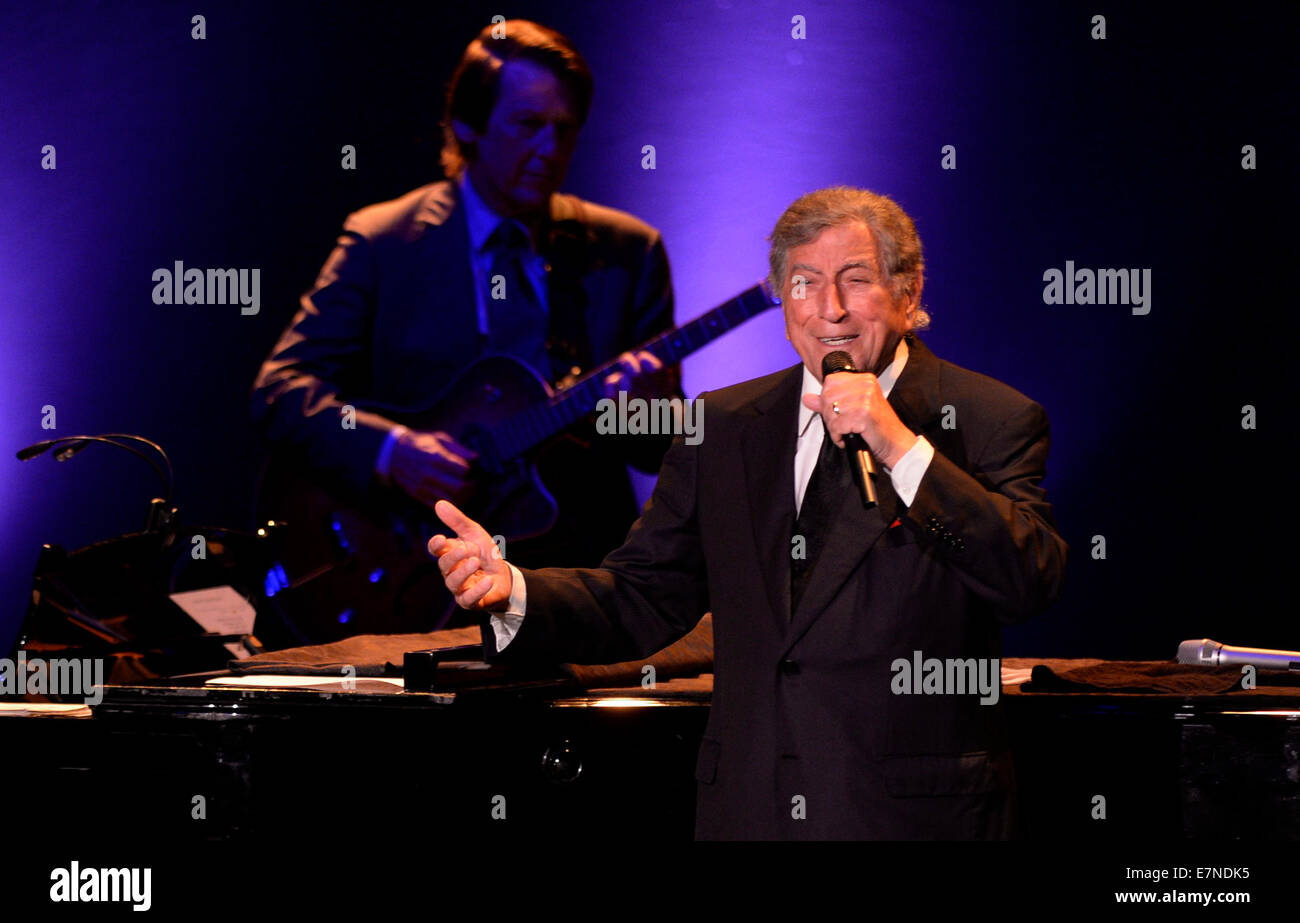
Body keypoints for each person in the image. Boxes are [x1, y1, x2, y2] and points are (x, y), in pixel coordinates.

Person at [429, 186, 1069, 840]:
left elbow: (1029, 577)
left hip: (913, 817)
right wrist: (516, 588)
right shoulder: (721, 425)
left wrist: (898, 445)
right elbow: (646, 593)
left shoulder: (990, 418)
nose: (831, 308)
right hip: (748, 810)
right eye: (805, 282)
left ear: (908, 293)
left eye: (856, 279)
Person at [250, 19, 678, 600]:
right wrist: (394, 451)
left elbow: (658, 449)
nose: (550, 151)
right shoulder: (384, 241)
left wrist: (636, 414)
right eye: (527, 125)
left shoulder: (630, 251)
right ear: (466, 125)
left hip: (575, 578)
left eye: (565, 131)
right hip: (417, 577)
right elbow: (281, 388)